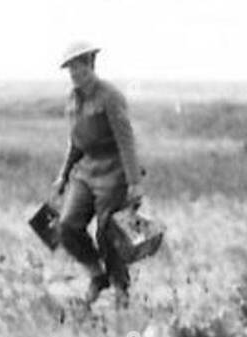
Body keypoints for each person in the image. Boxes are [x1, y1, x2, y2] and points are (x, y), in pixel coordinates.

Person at [51, 42, 145, 308]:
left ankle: (121, 289)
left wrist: (134, 182)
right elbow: (75, 141)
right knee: (67, 225)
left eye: (79, 67)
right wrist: (63, 175)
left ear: (91, 65)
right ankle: (97, 274)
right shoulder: (72, 98)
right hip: (86, 171)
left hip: (114, 171)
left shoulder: (110, 96)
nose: (75, 73)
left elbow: (126, 140)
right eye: (71, 69)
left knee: (107, 233)